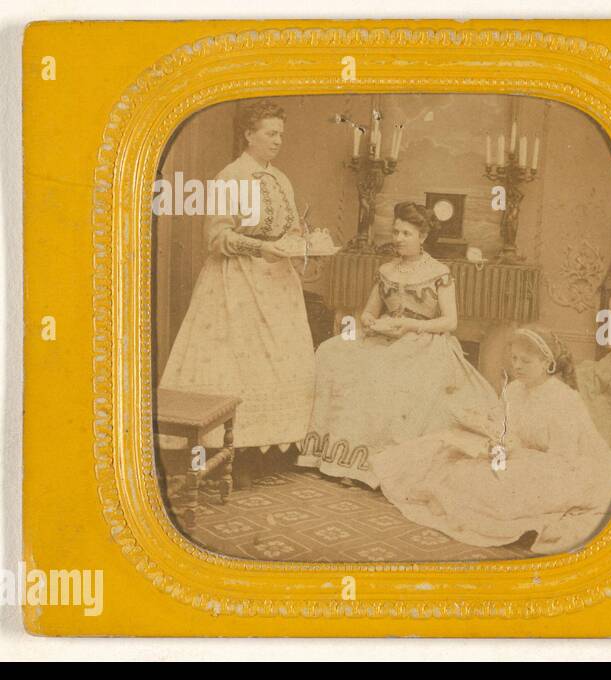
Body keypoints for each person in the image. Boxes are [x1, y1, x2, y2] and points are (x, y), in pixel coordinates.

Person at [296, 202, 497, 487]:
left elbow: (450, 322)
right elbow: (368, 311)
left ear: (423, 236)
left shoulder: (439, 272)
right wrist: (371, 322)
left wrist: (411, 326)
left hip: (424, 341)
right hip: (384, 336)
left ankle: (371, 464)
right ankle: (327, 453)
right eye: (396, 232)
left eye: (407, 233)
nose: (399, 238)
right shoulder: (387, 269)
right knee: (331, 351)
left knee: (379, 370)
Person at [159, 100, 314, 464]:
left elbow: (289, 228)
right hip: (236, 282)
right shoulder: (230, 177)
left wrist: (300, 242)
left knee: (282, 360)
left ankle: (274, 451)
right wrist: (264, 247)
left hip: (278, 284)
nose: (277, 141)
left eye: (281, 134)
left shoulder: (281, 178)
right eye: (270, 133)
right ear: (248, 134)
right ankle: (232, 452)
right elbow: (217, 237)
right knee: (235, 362)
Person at [372, 329, 611, 555]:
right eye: (514, 359)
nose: (518, 366)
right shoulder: (514, 390)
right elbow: (505, 428)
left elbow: (563, 458)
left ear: (547, 363)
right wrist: (492, 439)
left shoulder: (564, 399)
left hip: (564, 469)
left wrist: (513, 454)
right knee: (448, 455)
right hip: (522, 456)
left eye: (526, 361)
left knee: (490, 487)